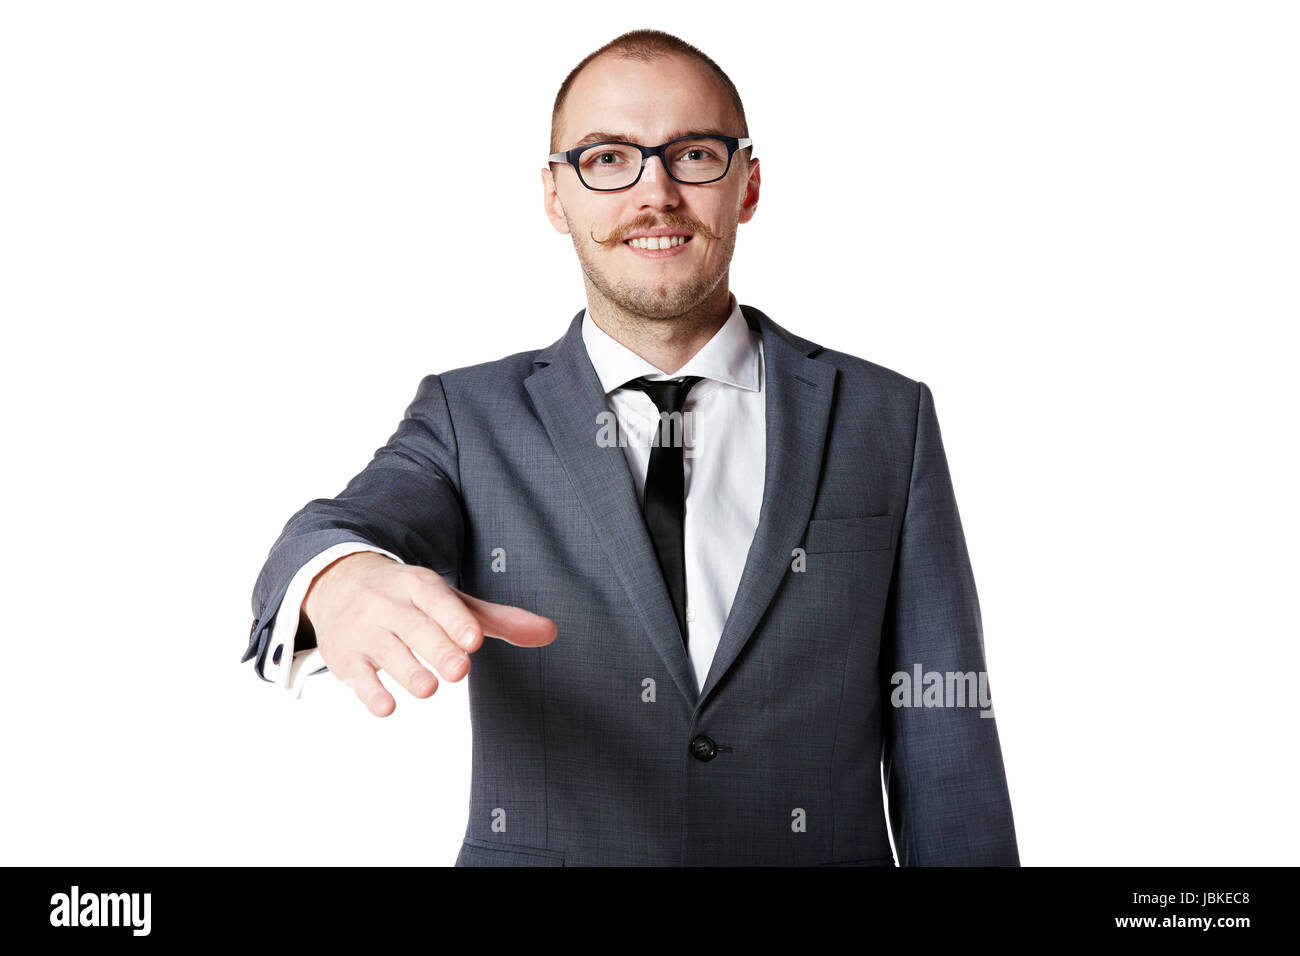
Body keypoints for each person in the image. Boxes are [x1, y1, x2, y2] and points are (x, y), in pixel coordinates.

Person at [243, 28, 1020, 867]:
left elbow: (947, 748)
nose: (656, 193)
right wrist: (337, 575)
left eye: (693, 153)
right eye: (608, 158)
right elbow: (341, 524)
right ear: (555, 196)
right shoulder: (471, 416)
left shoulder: (885, 415)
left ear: (748, 184)